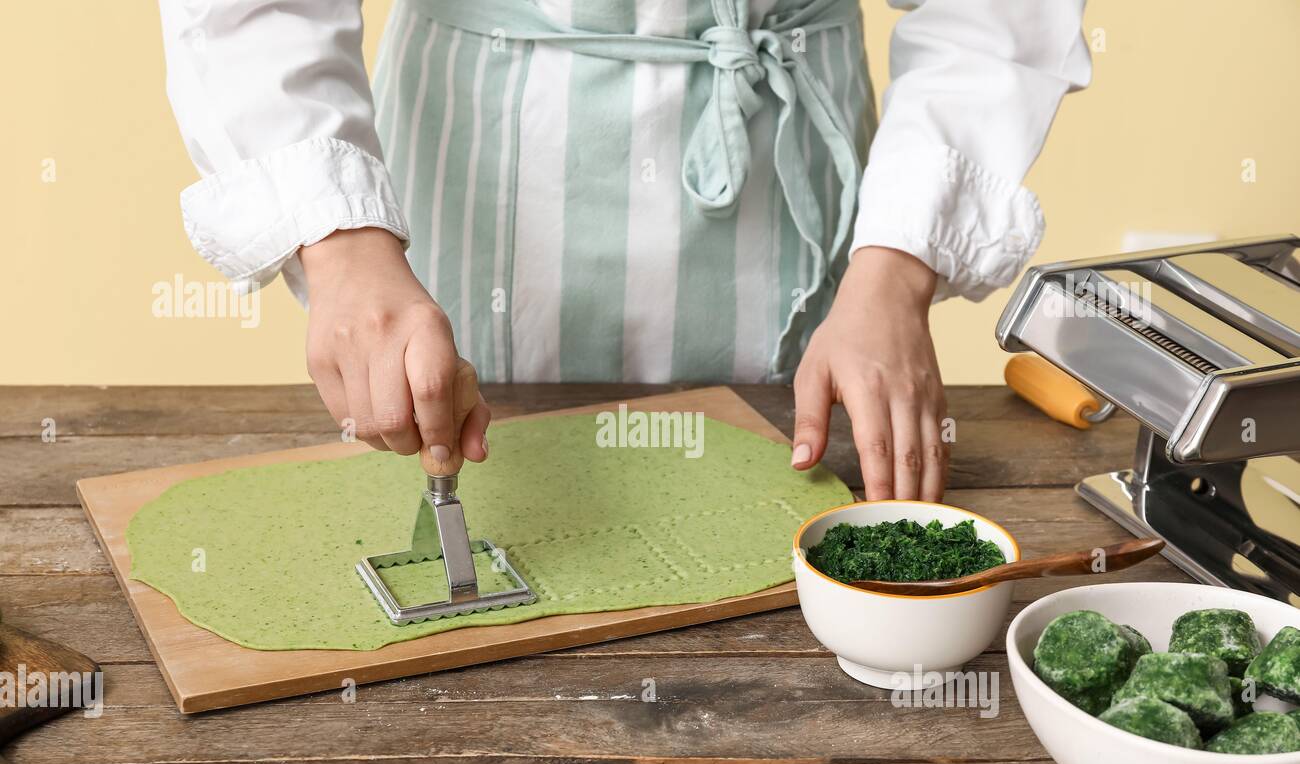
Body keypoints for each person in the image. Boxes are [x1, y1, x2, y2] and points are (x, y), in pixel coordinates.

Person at [159, 0, 1090, 500]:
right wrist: (342, 243)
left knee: (775, 525)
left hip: (797, 203)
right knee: (464, 466)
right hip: (478, 163)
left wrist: (896, 266)